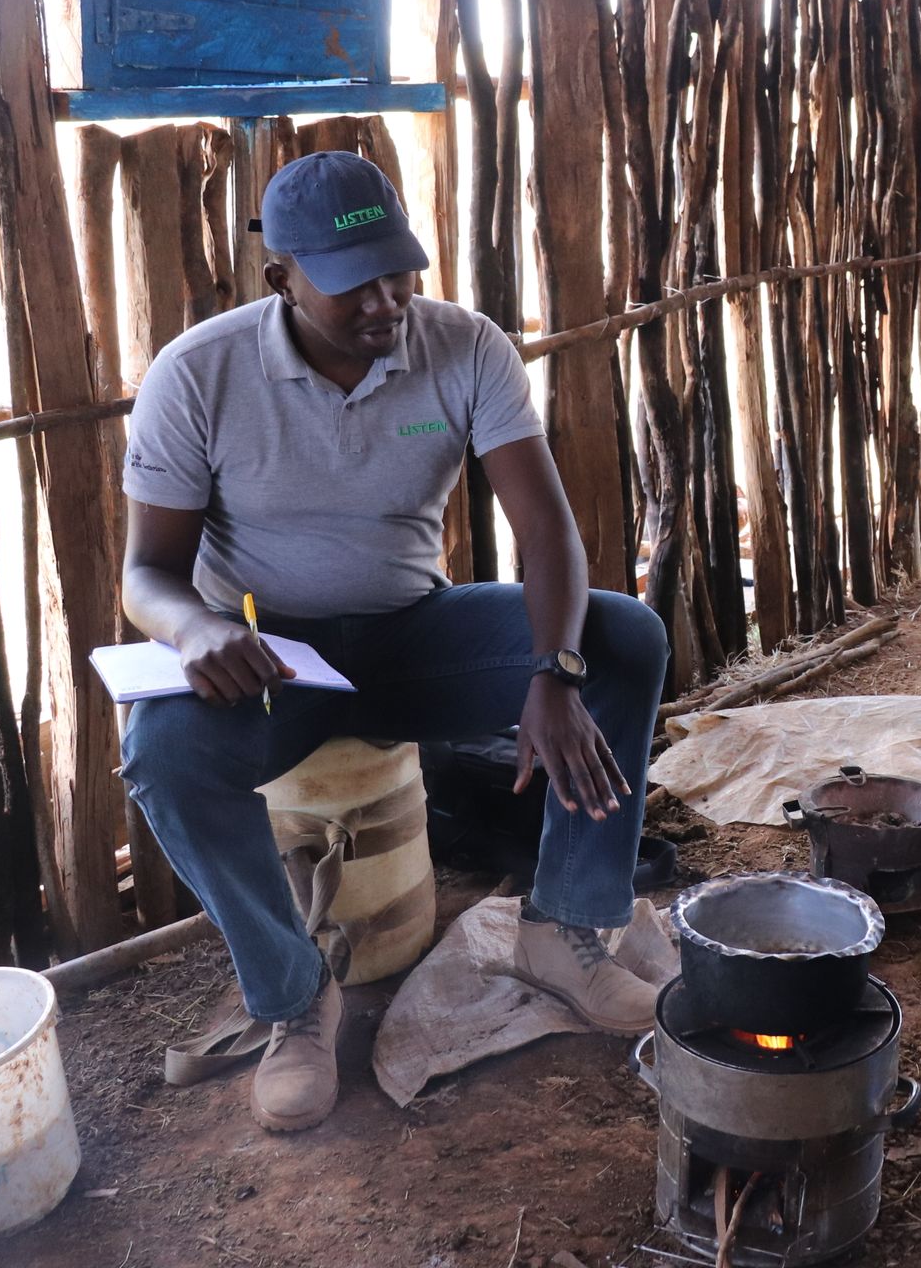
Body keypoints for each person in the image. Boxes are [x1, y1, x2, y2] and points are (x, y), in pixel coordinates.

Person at [118, 150, 669, 1134]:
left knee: (622, 637)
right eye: (350, 282)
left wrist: (555, 668)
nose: (385, 300)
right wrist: (198, 628)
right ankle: (293, 1001)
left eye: (398, 269)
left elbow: (546, 529)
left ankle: (566, 924)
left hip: (415, 635)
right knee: (159, 749)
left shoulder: (464, 348)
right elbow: (146, 573)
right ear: (280, 274)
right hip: (270, 659)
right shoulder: (198, 373)